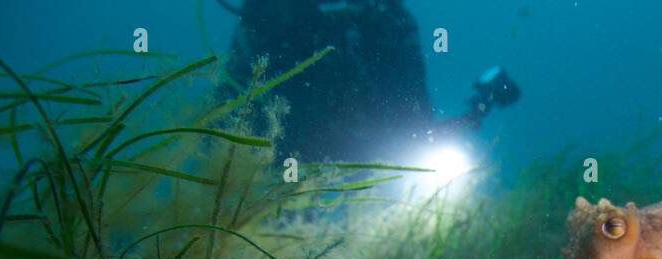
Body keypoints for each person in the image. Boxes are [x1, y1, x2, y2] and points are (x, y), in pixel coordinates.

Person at [221, 0, 520, 161]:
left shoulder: (387, 22)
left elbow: (418, 129)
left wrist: (475, 111)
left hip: (365, 162)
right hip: (278, 164)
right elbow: (224, 122)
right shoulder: (268, 20)